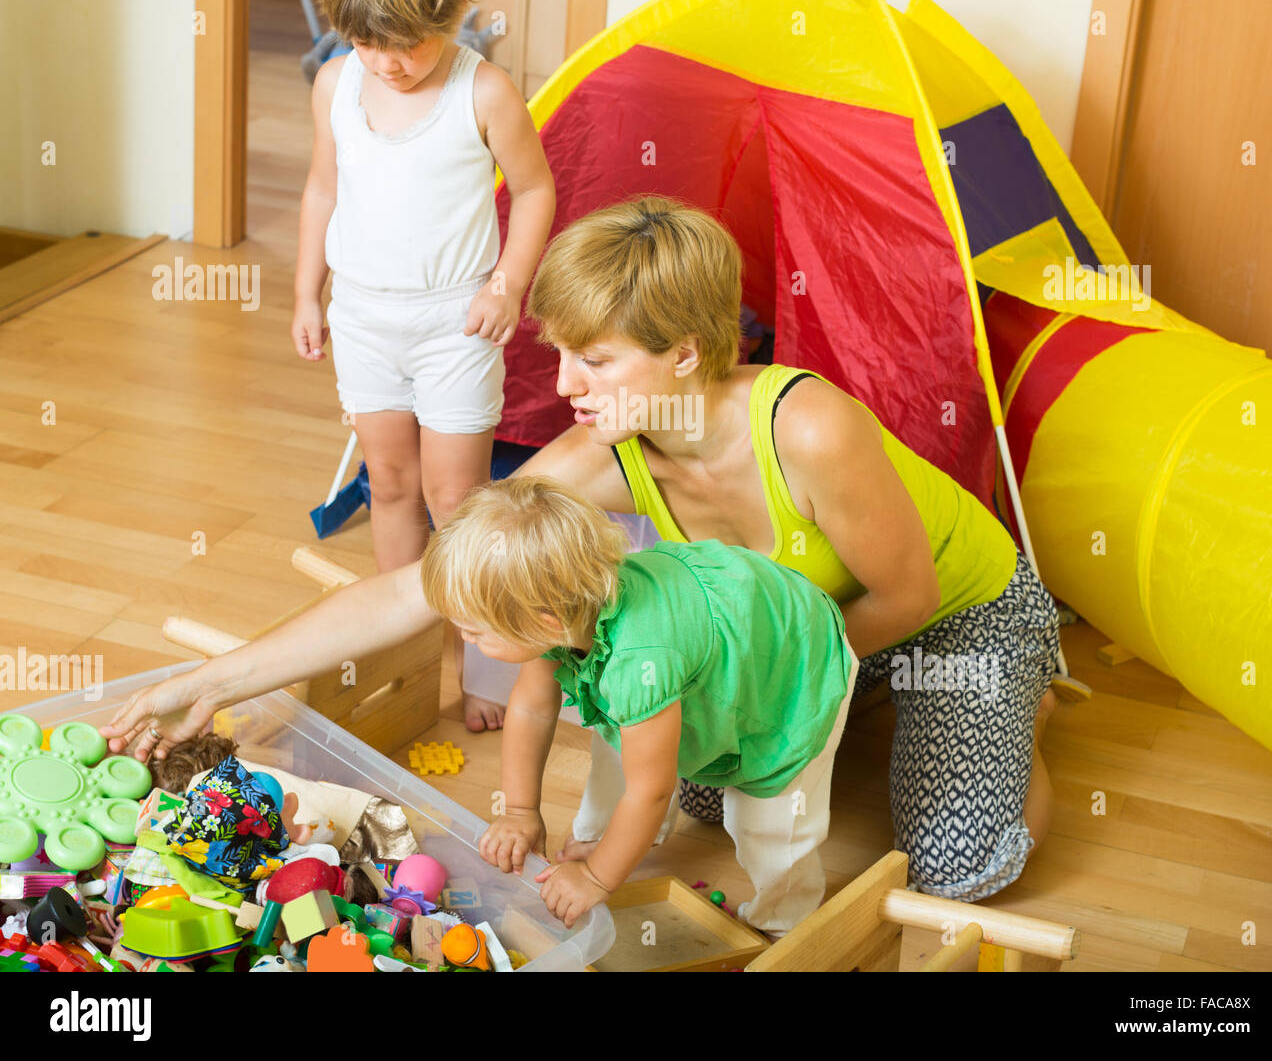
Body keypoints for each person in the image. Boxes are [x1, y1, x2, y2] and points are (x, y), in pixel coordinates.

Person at [105, 196, 1057, 903]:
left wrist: (784, 687)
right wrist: (223, 680)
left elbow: (905, 590)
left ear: (685, 352)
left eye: (594, 359)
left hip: (949, 608)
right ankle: (862, 708)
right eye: (561, 351)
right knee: (691, 787)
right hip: (790, 623)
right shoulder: (612, 448)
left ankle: (1027, 697)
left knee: (956, 867)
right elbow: (425, 585)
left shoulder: (810, 431)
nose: (564, 383)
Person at [290, 0, 555, 731]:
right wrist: (309, 290)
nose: (391, 63)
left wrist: (506, 284)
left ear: (451, 10)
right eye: (369, 42)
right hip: (366, 319)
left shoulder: (485, 90)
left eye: (410, 42)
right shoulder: (338, 85)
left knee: (458, 498)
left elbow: (539, 189)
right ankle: (402, 651)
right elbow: (323, 190)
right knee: (392, 484)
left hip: (455, 325)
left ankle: (486, 662)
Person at [423, 475, 857, 934]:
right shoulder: (565, 607)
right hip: (726, 633)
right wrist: (519, 811)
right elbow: (531, 709)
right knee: (624, 740)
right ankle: (607, 839)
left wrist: (596, 878)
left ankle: (784, 924)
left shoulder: (638, 662)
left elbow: (652, 789)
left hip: (790, 674)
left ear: (544, 623)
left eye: (474, 631)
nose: (464, 638)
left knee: (766, 829)